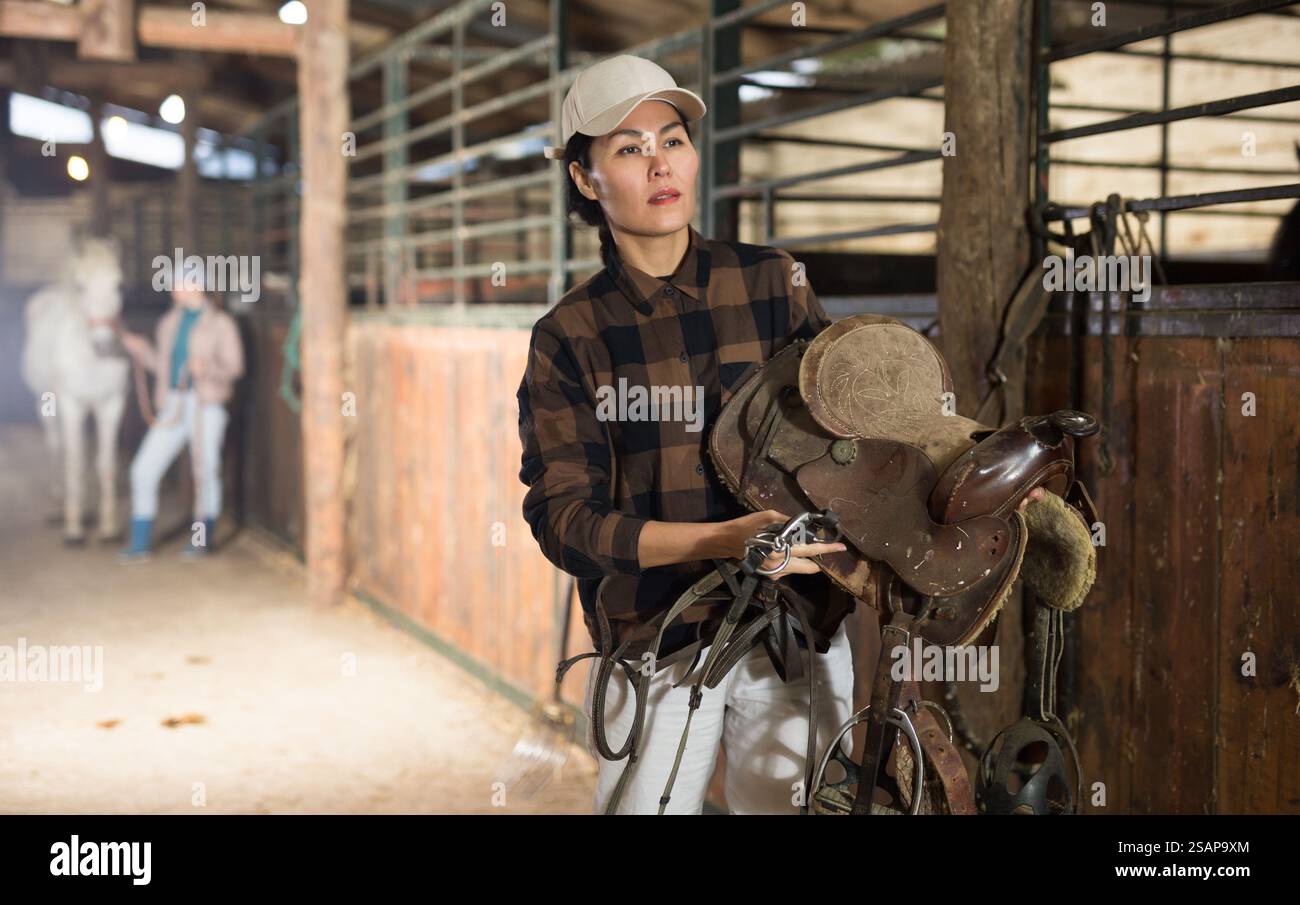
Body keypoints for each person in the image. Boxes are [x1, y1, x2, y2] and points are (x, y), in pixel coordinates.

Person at [516, 55, 854, 815]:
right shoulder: (570, 336)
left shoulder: (773, 283)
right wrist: (722, 540)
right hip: (655, 640)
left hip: (793, 626)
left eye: (671, 139)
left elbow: (846, 437)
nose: (659, 163)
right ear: (584, 177)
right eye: (629, 148)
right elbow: (566, 522)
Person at [117, 281, 244, 561]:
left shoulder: (220, 323)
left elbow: (235, 366)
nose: (174, 289)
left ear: (197, 286)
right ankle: (140, 544)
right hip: (173, 402)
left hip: (205, 404)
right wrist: (142, 350)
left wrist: (207, 368)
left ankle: (200, 541)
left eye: (180, 284)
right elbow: (161, 366)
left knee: (205, 473)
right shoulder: (169, 322)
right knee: (143, 469)